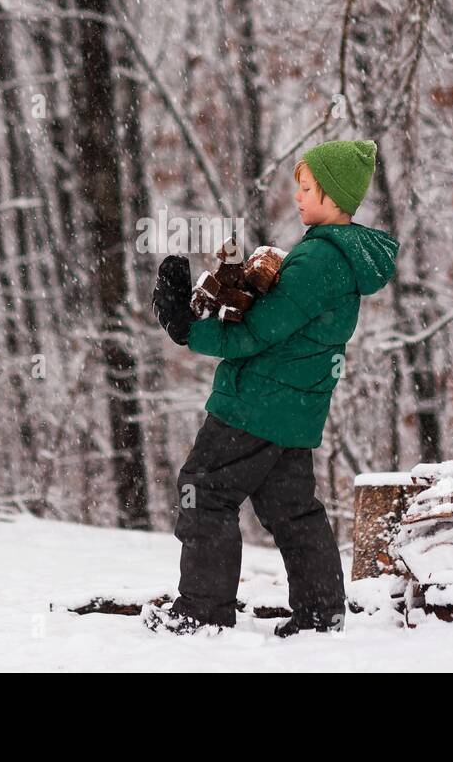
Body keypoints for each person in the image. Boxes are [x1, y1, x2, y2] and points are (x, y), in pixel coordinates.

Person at [147, 138, 400, 637]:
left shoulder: (318, 262)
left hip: (254, 405)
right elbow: (276, 323)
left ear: (334, 196)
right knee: (292, 510)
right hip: (294, 414)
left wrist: (187, 328)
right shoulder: (339, 261)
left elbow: (255, 332)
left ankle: (201, 612)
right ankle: (320, 612)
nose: (298, 197)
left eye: (307, 188)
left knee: (205, 490)